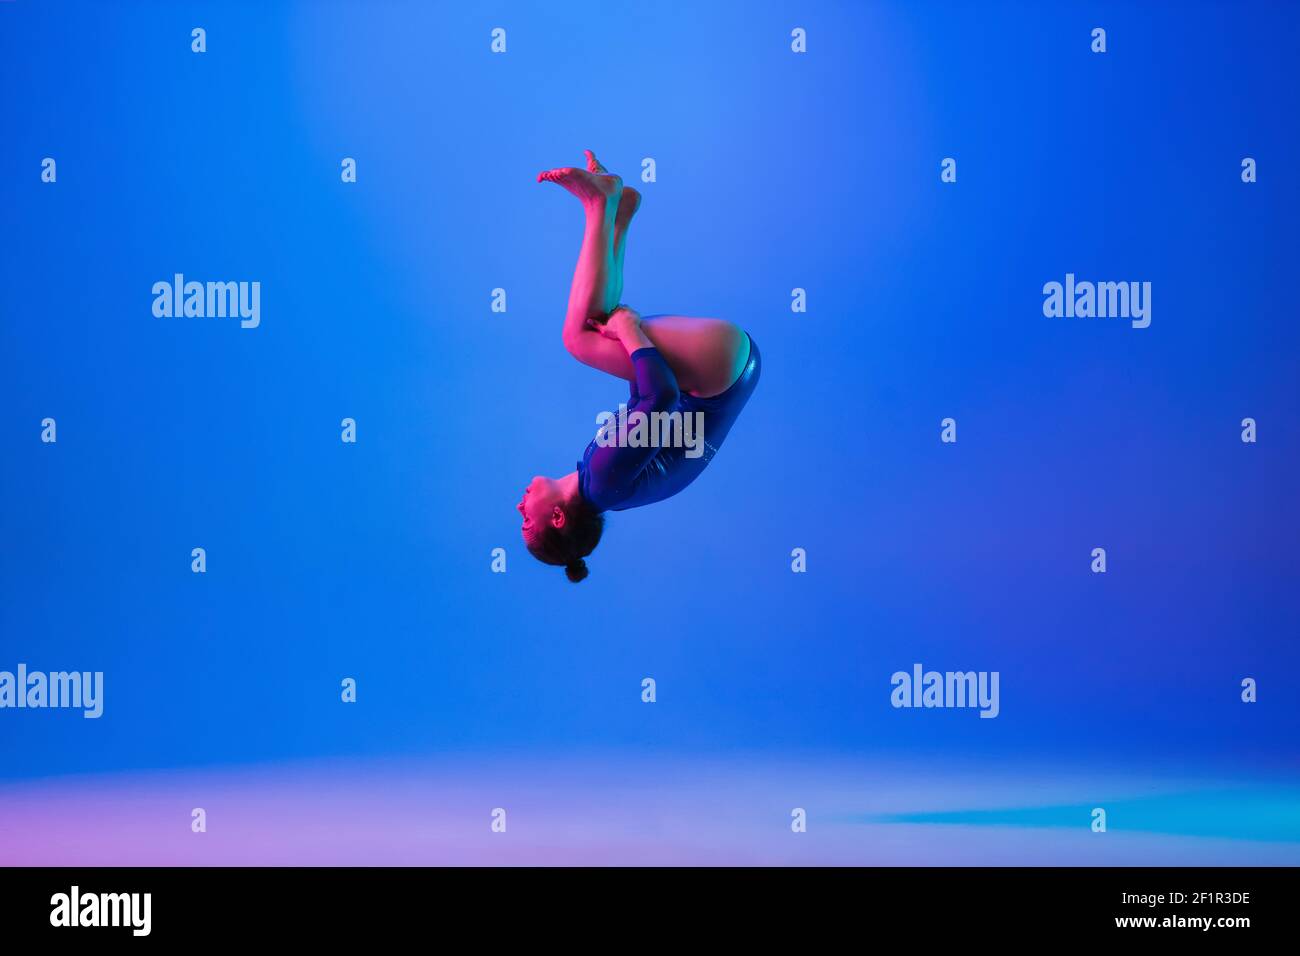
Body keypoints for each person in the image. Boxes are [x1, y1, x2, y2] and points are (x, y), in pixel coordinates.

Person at [520, 151, 761, 582]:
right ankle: (601, 206)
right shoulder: (602, 479)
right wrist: (631, 333)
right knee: (578, 338)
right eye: (526, 520)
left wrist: (627, 337)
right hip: (716, 375)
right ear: (557, 518)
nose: (519, 506)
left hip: (730, 370)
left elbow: (643, 405)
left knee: (597, 322)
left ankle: (617, 210)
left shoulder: (602, 482)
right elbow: (661, 397)